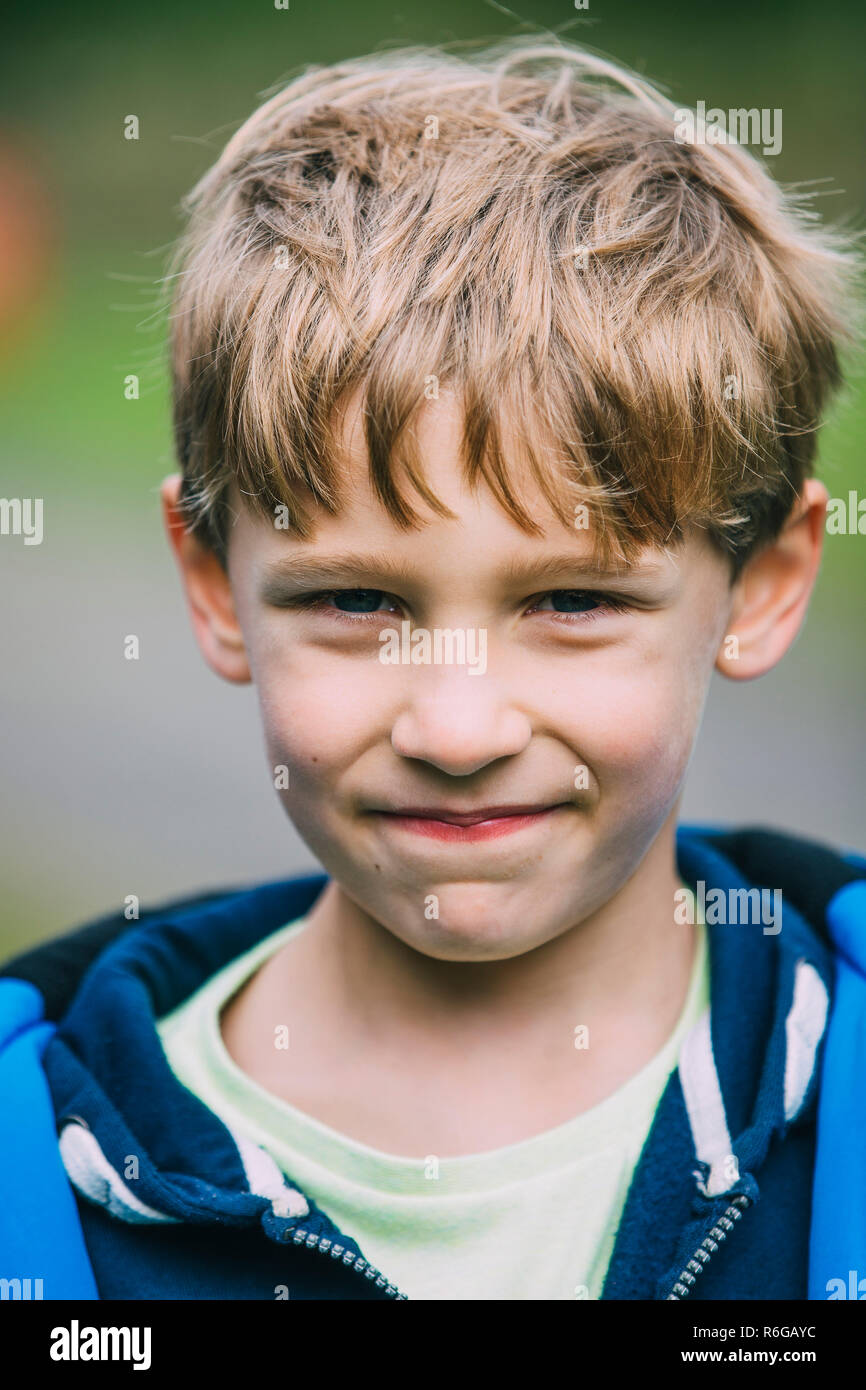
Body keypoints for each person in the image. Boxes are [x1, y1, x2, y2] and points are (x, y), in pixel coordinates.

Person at [2, 38, 864, 1302]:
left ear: (767, 582)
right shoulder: (38, 1170)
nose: (457, 729)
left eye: (573, 600)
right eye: (355, 600)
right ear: (212, 585)